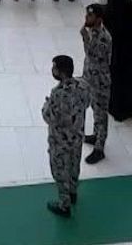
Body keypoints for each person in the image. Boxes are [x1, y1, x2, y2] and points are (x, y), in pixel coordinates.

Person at [41, 54, 88, 218]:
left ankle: (64, 205)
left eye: (54, 67)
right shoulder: (83, 86)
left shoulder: (57, 93)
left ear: (61, 72)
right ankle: (73, 192)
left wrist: (46, 104)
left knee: (60, 171)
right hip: (77, 138)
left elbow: (49, 117)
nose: (52, 70)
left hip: (60, 142)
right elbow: (86, 104)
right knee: (74, 166)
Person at [80, 4, 111, 164]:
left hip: (100, 82)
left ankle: (100, 147)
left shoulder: (103, 37)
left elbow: (93, 54)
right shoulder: (92, 32)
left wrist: (85, 38)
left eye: (90, 16)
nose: (86, 18)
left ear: (98, 19)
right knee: (93, 110)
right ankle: (95, 135)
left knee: (100, 113)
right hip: (90, 78)